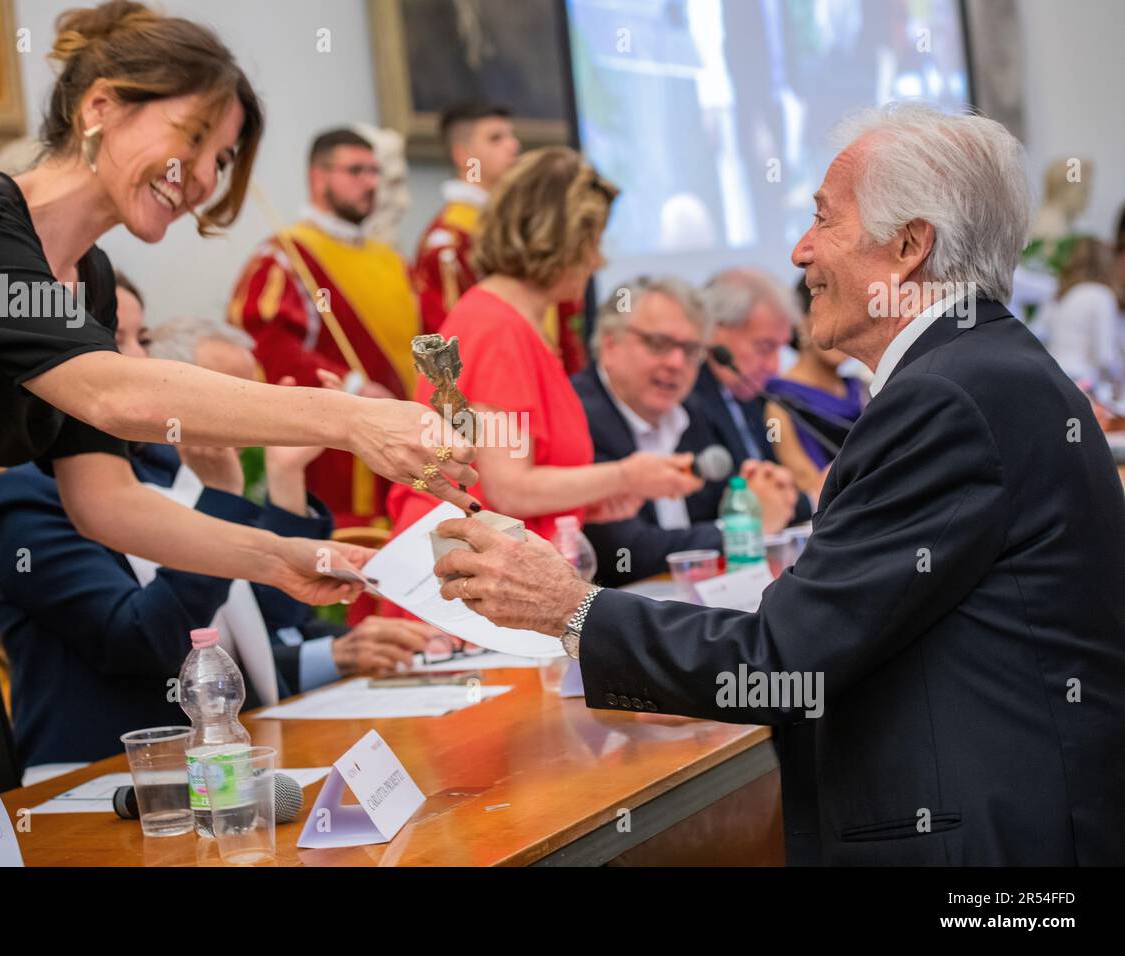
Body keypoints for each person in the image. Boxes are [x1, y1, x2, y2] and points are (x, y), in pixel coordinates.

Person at [432, 103, 1125, 865]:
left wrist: (571, 609)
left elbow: (781, 665)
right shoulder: (985, 367)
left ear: (908, 246)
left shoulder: (945, 396)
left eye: (823, 220)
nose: (800, 251)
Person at [0, 1, 476, 791]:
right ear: (99, 106)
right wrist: (349, 418)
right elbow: (110, 394)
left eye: (224, 158)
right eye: (196, 137)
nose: (204, 178)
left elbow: (110, 504)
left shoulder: (91, 283)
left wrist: (284, 559)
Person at [0, 312, 448, 770]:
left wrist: (283, 478)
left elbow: (265, 625)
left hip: (226, 759)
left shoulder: (170, 468)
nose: (138, 357)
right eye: (113, 338)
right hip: (104, 778)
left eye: (142, 337)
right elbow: (143, 643)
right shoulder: (30, 491)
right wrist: (221, 498)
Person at [387, 148, 700, 552]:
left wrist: (588, 498)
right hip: (458, 581)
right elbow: (509, 490)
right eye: (593, 242)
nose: (598, 261)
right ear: (562, 242)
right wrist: (626, 475)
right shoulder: (498, 328)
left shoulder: (507, 320)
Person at [227, 128, 423, 529]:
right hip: (331, 453)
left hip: (404, 443)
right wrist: (351, 388)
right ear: (318, 177)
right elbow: (268, 347)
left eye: (374, 172)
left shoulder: (394, 262)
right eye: (356, 171)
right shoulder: (284, 257)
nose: (370, 183)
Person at [573, 276, 798, 586]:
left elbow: (726, 500)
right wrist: (745, 528)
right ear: (610, 343)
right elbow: (627, 552)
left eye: (691, 349)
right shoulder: (578, 415)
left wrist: (762, 490)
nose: (677, 363)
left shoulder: (691, 412)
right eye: (658, 344)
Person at [413, 101, 586, 373]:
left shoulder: (524, 227)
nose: (512, 146)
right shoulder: (448, 241)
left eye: (511, 136)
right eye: (496, 138)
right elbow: (448, 341)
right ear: (463, 155)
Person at [690, 268, 813, 525]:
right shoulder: (686, 400)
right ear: (713, 331)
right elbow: (719, 507)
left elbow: (776, 489)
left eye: (780, 348)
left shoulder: (755, 399)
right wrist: (813, 499)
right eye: (765, 347)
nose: (774, 367)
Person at [763, 278, 868, 501]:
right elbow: (801, 476)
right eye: (830, 313)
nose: (840, 330)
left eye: (851, 319)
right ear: (801, 322)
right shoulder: (777, 402)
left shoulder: (863, 389)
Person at [1036, 236, 1124, 391]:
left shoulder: (1062, 292)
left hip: (1048, 371)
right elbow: (1105, 357)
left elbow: (1038, 331)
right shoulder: (1102, 295)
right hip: (1078, 382)